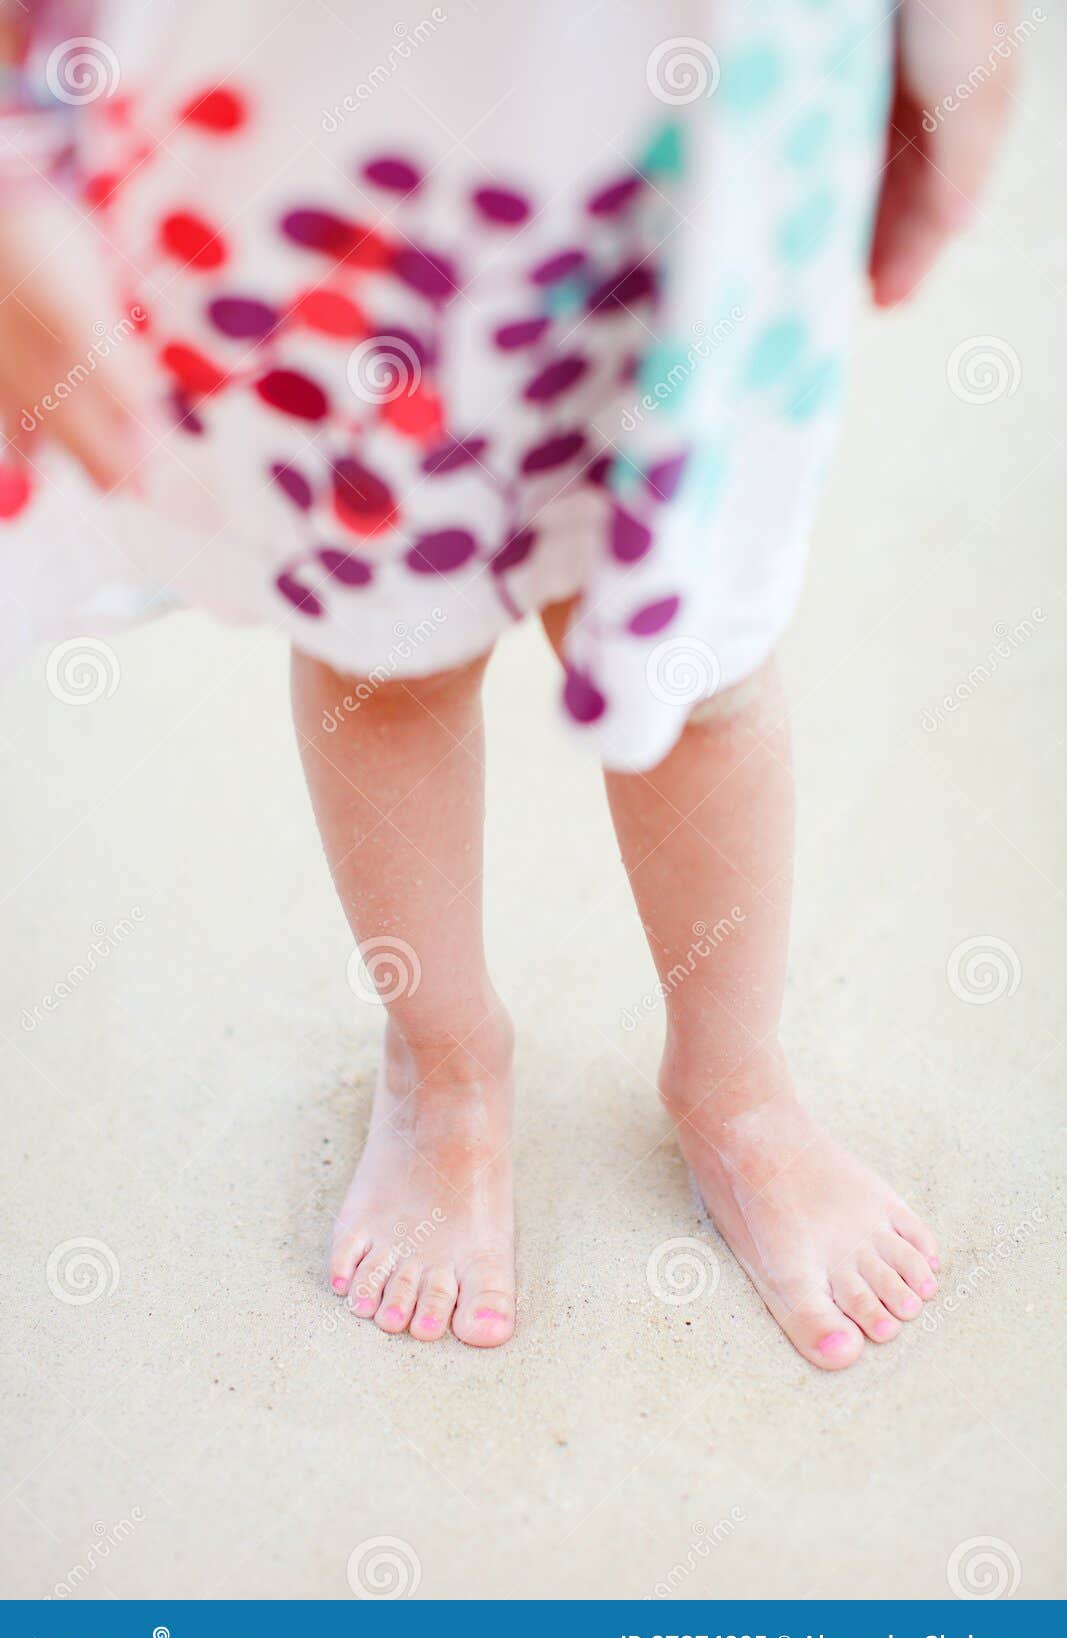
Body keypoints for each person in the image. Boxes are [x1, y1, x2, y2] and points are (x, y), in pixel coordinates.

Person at [0, 1, 1015, 1364]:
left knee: (698, 656)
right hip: (338, 147)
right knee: (385, 650)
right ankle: (444, 1059)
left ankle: (735, 1074)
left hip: (697, 130)